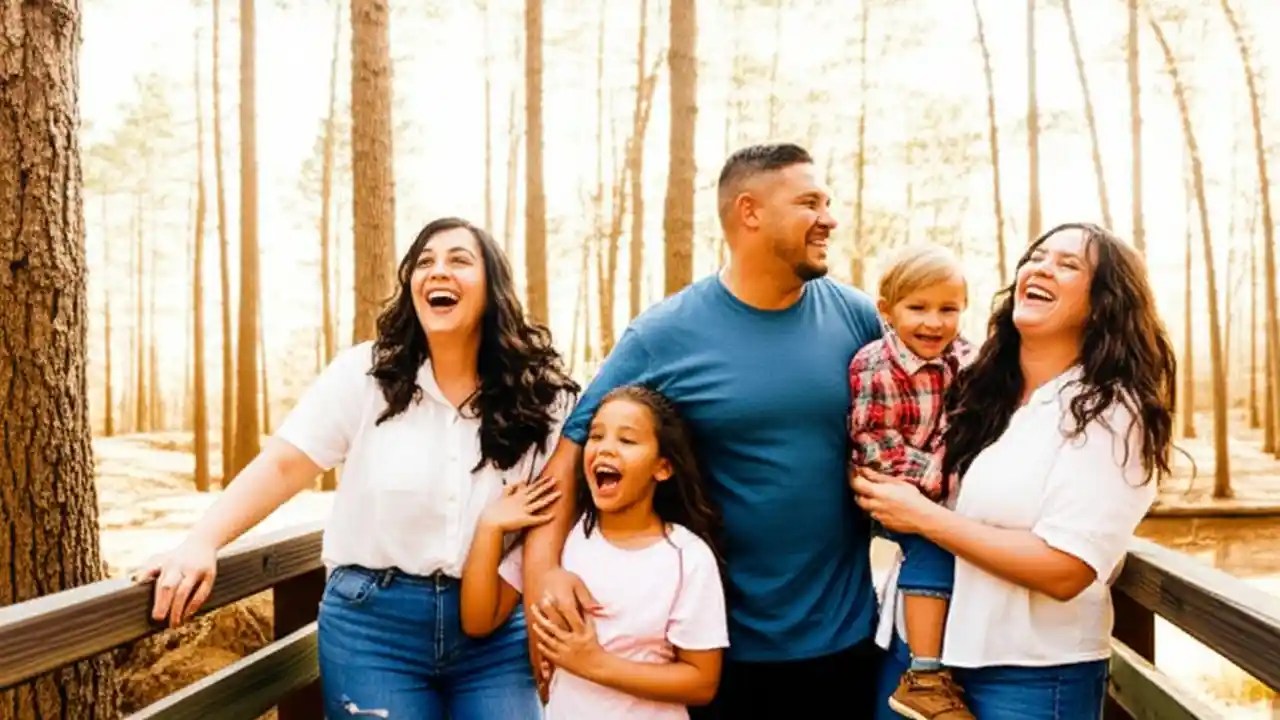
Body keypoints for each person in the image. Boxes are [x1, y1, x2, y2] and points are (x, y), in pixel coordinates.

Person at [135, 217, 579, 719]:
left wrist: (550, 616)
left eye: (459, 260)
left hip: (497, 627)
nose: (438, 271)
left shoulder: (546, 397)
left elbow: (561, 514)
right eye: (425, 262)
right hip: (375, 629)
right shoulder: (364, 376)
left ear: (493, 286)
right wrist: (202, 540)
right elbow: (284, 465)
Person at [522, 143, 887, 717]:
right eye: (809, 203)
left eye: (828, 202)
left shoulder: (857, 317)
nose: (829, 219)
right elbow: (571, 454)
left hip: (842, 642)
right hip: (718, 648)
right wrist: (543, 576)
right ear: (750, 212)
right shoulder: (663, 334)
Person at [853, 223, 1176, 720]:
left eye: (1068, 264)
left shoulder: (1111, 412)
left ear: (1105, 302)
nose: (1042, 267)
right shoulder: (976, 383)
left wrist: (920, 515)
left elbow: (1067, 569)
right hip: (912, 663)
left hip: (1026, 674)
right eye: (1038, 256)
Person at [461, 385, 729, 718]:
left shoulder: (687, 556)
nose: (605, 449)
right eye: (596, 436)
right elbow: (478, 619)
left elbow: (701, 681)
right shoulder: (559, 541)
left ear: (662, 467)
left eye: (627, 440)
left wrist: (596, 664)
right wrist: (490, 526)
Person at [846, 243, 975, 720]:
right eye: (917, 308)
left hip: (938, 484)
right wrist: (939, 483)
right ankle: (924, 675)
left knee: (957, 542)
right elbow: (875, 443)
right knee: (933, 544)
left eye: (948, 309)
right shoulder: (875, 366)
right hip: (888, 483)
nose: (933, 322)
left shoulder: (962, 356)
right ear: (887, 311)